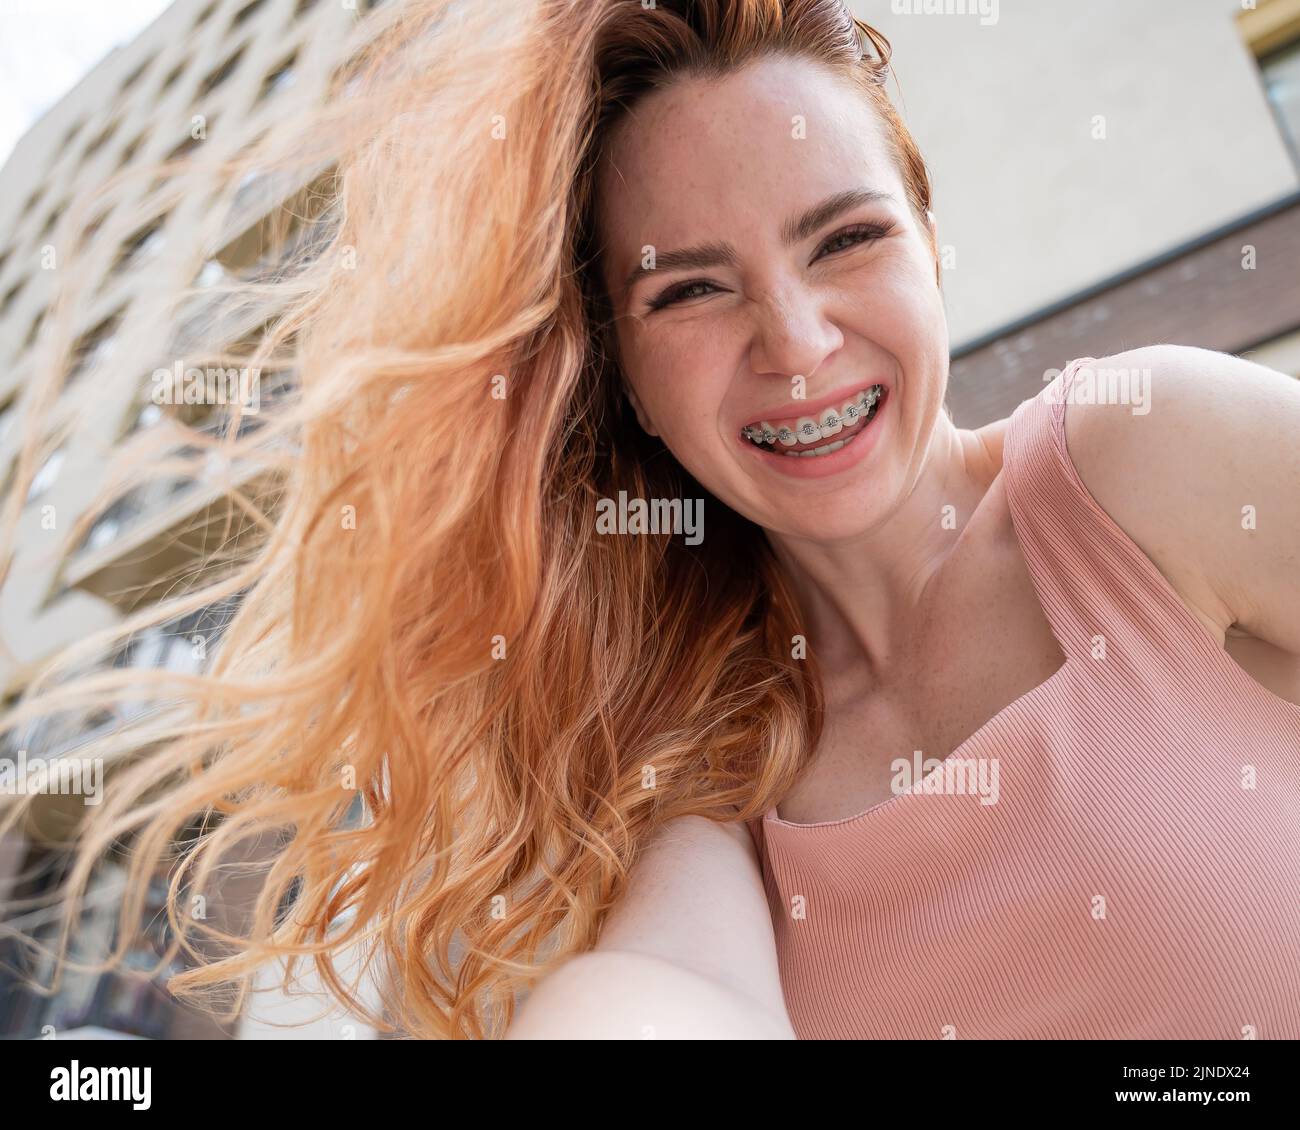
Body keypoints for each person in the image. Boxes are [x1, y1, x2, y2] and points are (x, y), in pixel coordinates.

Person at [5, 0, 1298, 1042]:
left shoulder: (1144, 460)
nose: (795, 342)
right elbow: (666, 1001)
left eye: (845, 238)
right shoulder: (703, 775)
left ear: (933, 246)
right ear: (622, 374)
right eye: (691, 290)